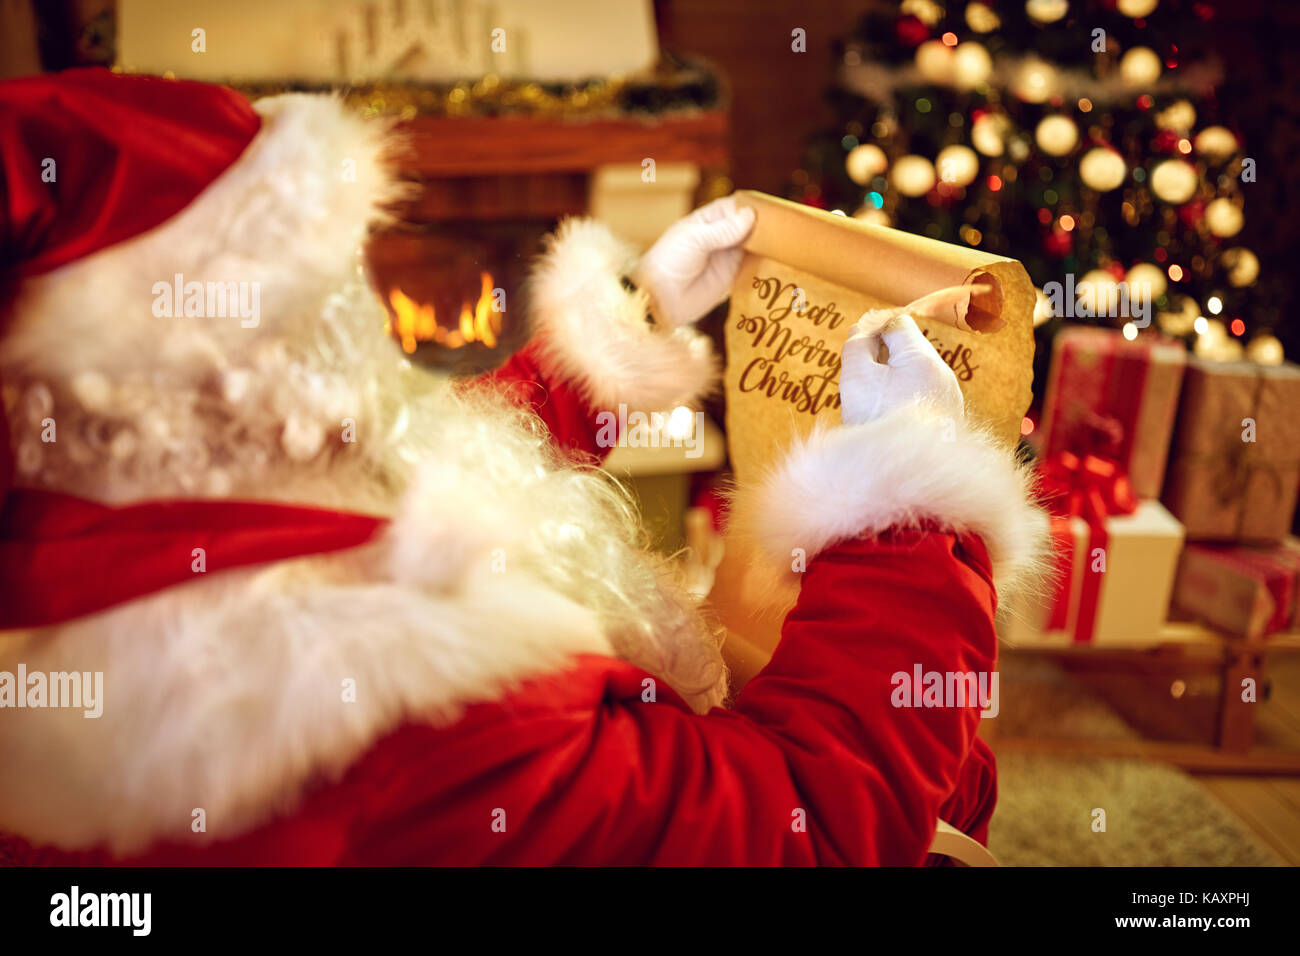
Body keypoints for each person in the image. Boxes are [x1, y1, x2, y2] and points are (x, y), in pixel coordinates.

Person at [0, 69, 1043, 865]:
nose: (360, 310)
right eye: (312, 282)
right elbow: (808, 822)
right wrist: (902, 499)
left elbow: (392, 460)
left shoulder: (119, 505)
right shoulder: (374, 694)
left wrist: (627, 327)